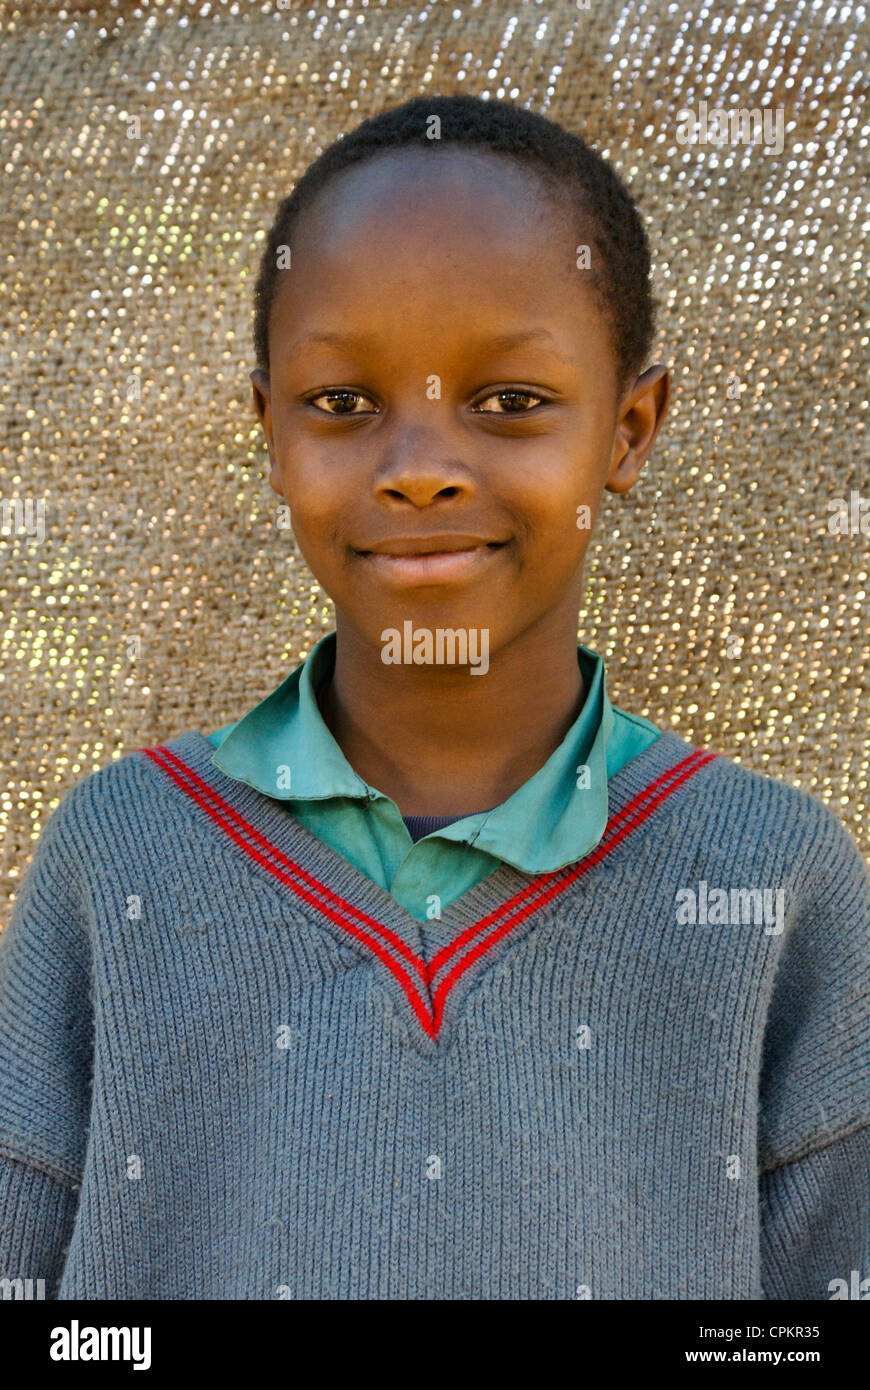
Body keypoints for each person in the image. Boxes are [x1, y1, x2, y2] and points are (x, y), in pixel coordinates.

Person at [1, 94, 867, 1300]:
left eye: (509, 402)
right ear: (268, 432)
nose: (417, 470)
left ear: (630, 429)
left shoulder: (774, 887)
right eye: (343, 405)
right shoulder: (119, 858)